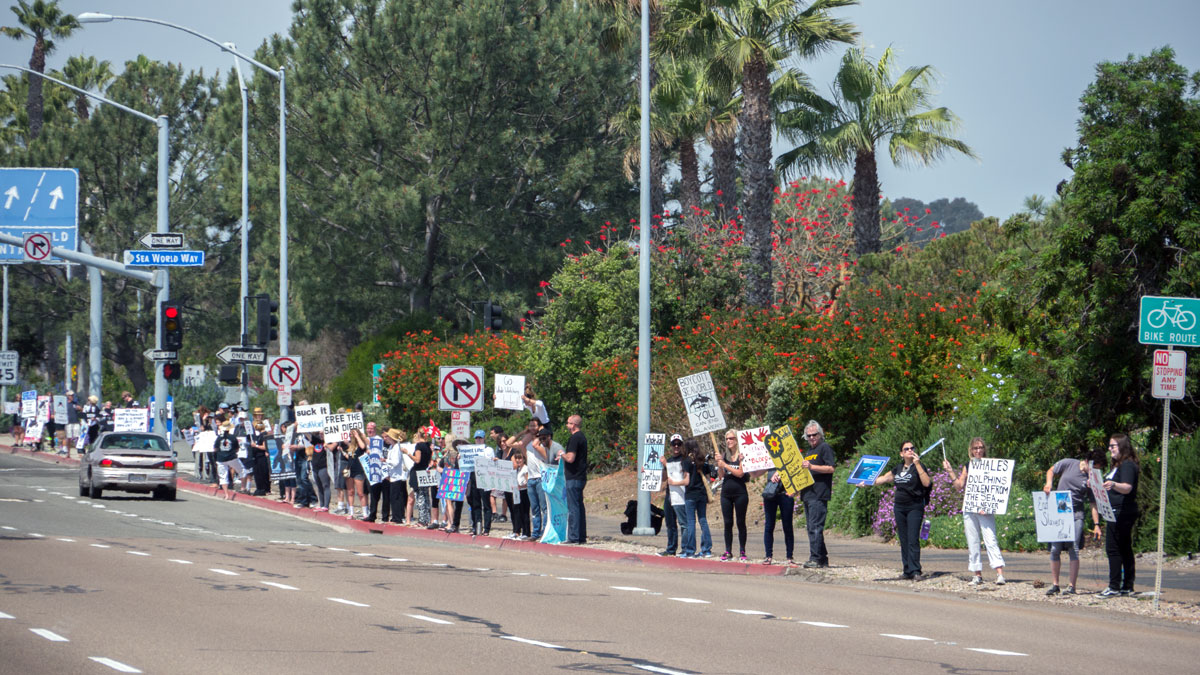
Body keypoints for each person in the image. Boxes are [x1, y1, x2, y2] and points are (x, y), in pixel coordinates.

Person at [944, 437, 1007, 585]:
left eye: (980, 447)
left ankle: (999, 573)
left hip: (986, 509)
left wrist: (990, 504)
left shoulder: (992, 464)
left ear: (984, 449)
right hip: (970, 507)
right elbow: (959, 486)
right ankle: (977, 574)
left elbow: (998, 485)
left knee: (990, 539)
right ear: (971, 451)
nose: (978, 451)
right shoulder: (969, 465)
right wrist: (950, 471)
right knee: (973, 541)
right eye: (975, 448)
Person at [1042, 450, 1104, 595]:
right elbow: (1051, 470)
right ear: (1088, 462)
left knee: (1073, 548)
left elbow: (1093, 503)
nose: (1096, 471)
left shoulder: (1091, 479)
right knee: (1055, 549)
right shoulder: (1069, 463)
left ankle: (1071, 586)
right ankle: (1055, 584)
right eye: (1095, 467)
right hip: (1060, 511)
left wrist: (1096, 525)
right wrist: (1049, 484)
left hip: (1076, 514)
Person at [876, 441, 932, 580]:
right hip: (899, 507)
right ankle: (907, 570)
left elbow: (927, 483)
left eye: (912, 448)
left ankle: (916, 570)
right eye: (906, 449)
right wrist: (864, 481)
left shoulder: (919, 466)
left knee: (913, 538)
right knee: (904, 538)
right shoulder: (898, 468)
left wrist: (918, 464)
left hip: (915, 506)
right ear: (901, 453)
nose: (909, 450)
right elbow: (882, 479)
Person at [1098, 433, 1139, 598]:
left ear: (1122, 446)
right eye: (1109, 446)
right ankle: (1126, 585)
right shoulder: (1116, 466)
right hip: (1114, 510)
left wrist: (1114, 484)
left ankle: (1115, 585)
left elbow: (1127, 487)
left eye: (1112, 446)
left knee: (1115, 549)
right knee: (1122, 548)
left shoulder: (1128, 465)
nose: (1110, 449)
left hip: (1123, 510)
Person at [800, 420, 836, 568]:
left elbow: (831, 468)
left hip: (819, 494)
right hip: (808, 494)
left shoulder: (824, 447)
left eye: (814, 434)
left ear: (820, 434)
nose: (812, 438)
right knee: (811, 528)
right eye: (808, 436)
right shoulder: (809, 452)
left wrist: (812, 466)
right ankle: (822, 558)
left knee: (815, 527)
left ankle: (815, 558)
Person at [715, 429, 749, 562]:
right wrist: (720, 465)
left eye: (731, 438)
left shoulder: (742, 456)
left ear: (736, 440)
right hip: (726, 493)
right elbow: (721, 476)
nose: (729, 441)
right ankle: (728, 550)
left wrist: (725, 465)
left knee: (741, 522)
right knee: (728, 522)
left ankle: (742, 550)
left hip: (740, 492)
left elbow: (740, 473)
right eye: (727, 439)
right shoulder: (724, 456)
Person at [557, 414, 588, 544]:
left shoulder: (575, 438)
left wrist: (561, 454)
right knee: (579, 506)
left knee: (573, 507)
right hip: (580, 476)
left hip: (574, 477)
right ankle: (581, 536)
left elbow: (570, 458)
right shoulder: (582, 437)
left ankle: (574, 537)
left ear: (574, 425)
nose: (567, 425)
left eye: (568, 423)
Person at [682, 438, 714, 559]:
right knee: (703, 520)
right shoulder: (702, 460)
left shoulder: (686, 461)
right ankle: (706, 549)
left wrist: (674, 482)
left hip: (690, 494)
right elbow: (707, 475)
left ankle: (690, 550)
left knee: (691, 522)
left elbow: (687, 480)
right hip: (702, 494)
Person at [525, 422, 557, 540]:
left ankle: (545, 531)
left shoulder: (542, 447)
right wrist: (525, 432)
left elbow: (539, 450)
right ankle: (536, 532)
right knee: (534, 508)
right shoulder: (528, 445)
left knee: (544, 507)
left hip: (540, 478)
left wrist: (539, 435)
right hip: (531, 479)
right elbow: (510, 443)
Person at [659, 434, 688, 557]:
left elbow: (679, 474)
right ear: (670, 446)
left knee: (683, 523)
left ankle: (686, 549)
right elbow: (664, 478)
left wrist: (666, 465)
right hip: (669, 494)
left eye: (678, 444)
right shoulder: (669, 460)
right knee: (670, 523)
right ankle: (671, 548)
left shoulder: (684, 460)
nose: (676, 446)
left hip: (681, 495)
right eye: (674, 444)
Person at [404, 428, 433, 527]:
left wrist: (407, 453)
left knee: (419, 496)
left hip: (417, 472)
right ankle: (427, 519)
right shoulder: (428, 446)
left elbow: (417, 460)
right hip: (424, 471)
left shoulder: (419, 445)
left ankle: (421, 520)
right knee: (425, 496)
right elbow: (429, 460)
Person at [214, 421, 245, 501]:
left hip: (221, 459)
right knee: (242, 471)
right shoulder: (233, 437)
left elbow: (215, 448)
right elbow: (237, 448)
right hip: (232, 458)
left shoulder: (219, 437)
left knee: (223, 476)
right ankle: (243, 487)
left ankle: (226, 494)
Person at [384, 428, 408, 524]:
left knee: (396, 497)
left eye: (388, 437)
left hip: (398, 476)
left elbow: (395, 462)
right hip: (393, 476)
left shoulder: (397, 448)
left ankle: (397, 517)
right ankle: (395, 516)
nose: (386, 439)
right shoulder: (391, 447)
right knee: (393, 497)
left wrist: (385, 460)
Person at [508, 449, 532, 540]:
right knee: (519, 511)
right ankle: (521, 531)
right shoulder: (517, 469)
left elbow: (528, 481)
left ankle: (527, 532)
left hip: (524, 492)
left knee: (525, 512)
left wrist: (520, 486)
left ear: (524, 459)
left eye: (520, 458)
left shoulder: (525, 468)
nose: (518, 460)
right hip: (518, 492)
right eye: (517, 459)